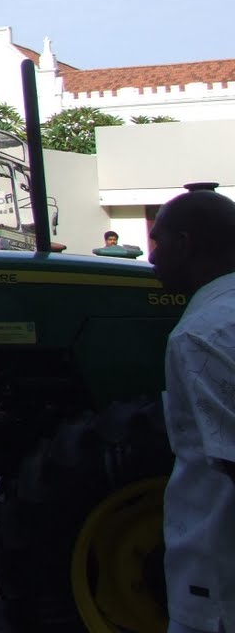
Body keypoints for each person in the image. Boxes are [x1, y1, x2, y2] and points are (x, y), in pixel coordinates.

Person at [149, 189, 235, 633]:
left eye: (157, 243)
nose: (152, 258)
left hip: (216, 587)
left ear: (185, 243)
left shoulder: (199, 334)